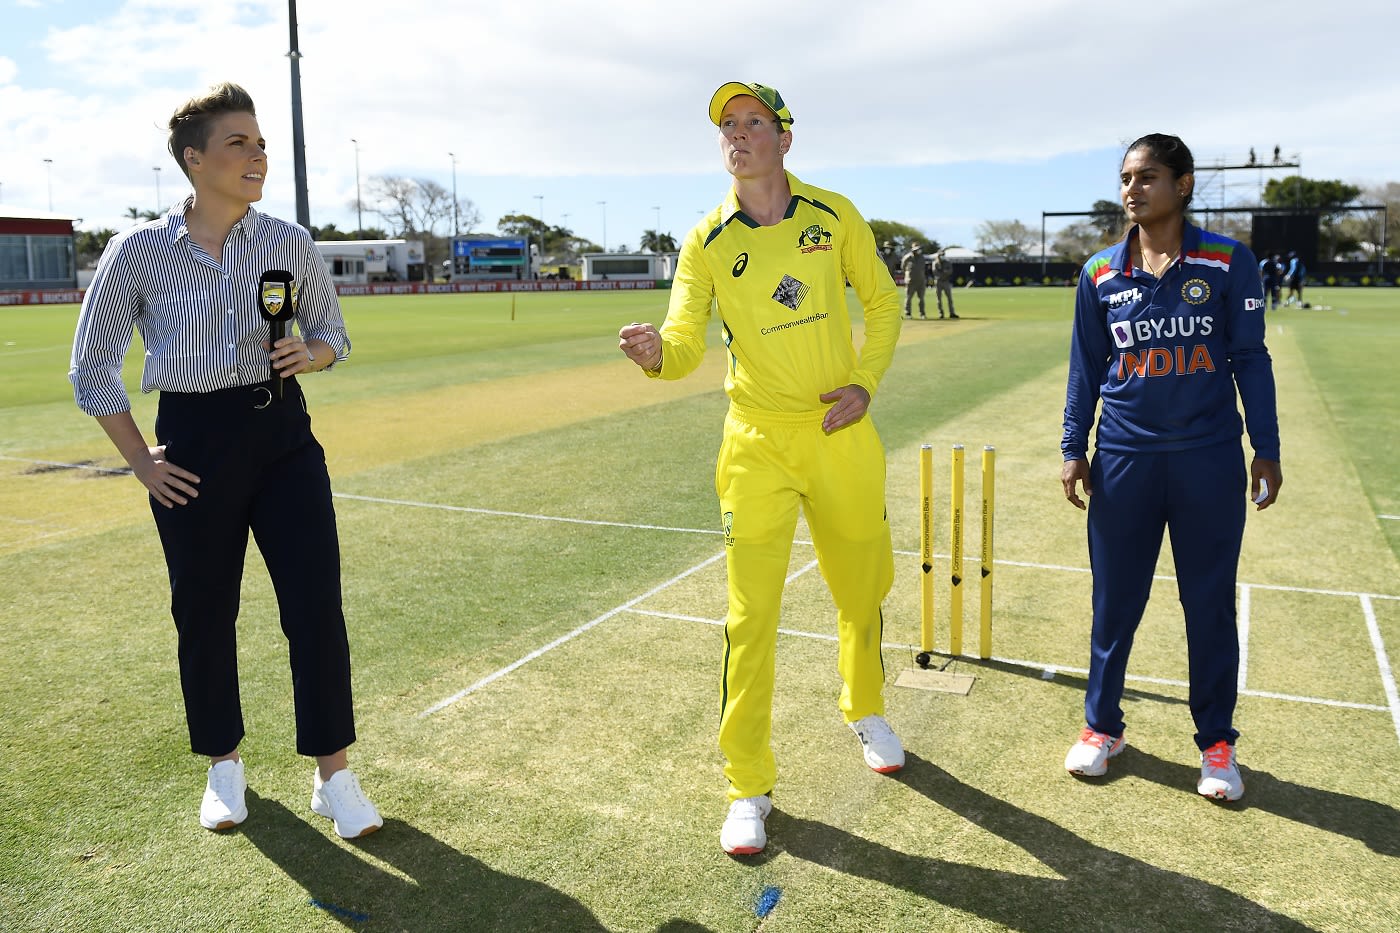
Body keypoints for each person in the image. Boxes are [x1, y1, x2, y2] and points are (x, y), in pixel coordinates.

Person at [69, 82, 382, 839]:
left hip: (284, 437)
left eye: (261, 143)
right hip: (192, 446)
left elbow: (334, 334)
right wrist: (142, 459)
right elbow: (92, 367)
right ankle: (224, 767)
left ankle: (333, 774)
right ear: (193, 159)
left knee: (314, 607)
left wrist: (313, 351)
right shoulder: (136, 251)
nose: (257, 155)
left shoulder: (288, 242)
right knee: (204, 611)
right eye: (238, 143)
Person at [618, 81, 905, 856]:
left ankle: (866, 706)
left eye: (753, 124)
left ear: (784, 138)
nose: (738, 136)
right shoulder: (707, 238)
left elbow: (882, 304)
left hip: (840, 432)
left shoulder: (834, 215)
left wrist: (866, 383)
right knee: (749, 618)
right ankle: (748, 784)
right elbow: (683, 341)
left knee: (861, 586)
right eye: (727, 127)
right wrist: (656, 357)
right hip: (756, 442)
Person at [1059, 133, 1281, 803]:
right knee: (1115, 601)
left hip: (1207, 458)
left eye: (1148, 176)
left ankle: (1217, 744)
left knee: (1207, 604)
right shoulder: (1100, 270)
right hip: (1124, 457)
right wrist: (1074, 445)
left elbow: (1251, 358)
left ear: (1183, 184)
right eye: (1126, 177)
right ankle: (1103, 727)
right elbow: (1085, 366)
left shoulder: (1226, 261)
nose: (1132, 188)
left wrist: (1265, 446)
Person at [900, 241, 929, 318]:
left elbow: (923, 268)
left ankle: (922, 314)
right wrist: (908, 275)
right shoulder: (907, 257)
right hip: (910, 281)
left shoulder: (922, 257)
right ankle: (908, 313)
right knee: (908, 298)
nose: (918, 250)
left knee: (921, 299)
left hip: (921, 281)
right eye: (916, 249)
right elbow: (902, 267)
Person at [931, 249, 959, 319]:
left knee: (949, 298)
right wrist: (943, 273)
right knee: (939, 299)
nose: (942, 256)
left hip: (946, 281)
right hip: (938, 282)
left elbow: (950, 271)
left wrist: (945, 272)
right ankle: (941, 313)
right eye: (941, 255)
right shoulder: (935, 263)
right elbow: (935, 272)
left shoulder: (947, 262)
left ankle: (952, 313)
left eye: (943, 254)